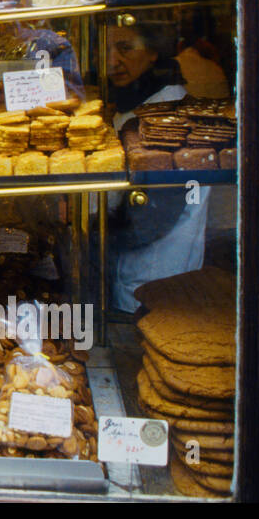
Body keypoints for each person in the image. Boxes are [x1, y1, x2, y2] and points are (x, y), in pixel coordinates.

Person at [104, 22, 221, 312]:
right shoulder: (139, 103)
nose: (111, 61)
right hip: (135, 280)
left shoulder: (169, 120)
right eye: (104, 50)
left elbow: (145, 223)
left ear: (154, 52)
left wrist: (89, 233)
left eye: (125, 48)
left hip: (156, 282)